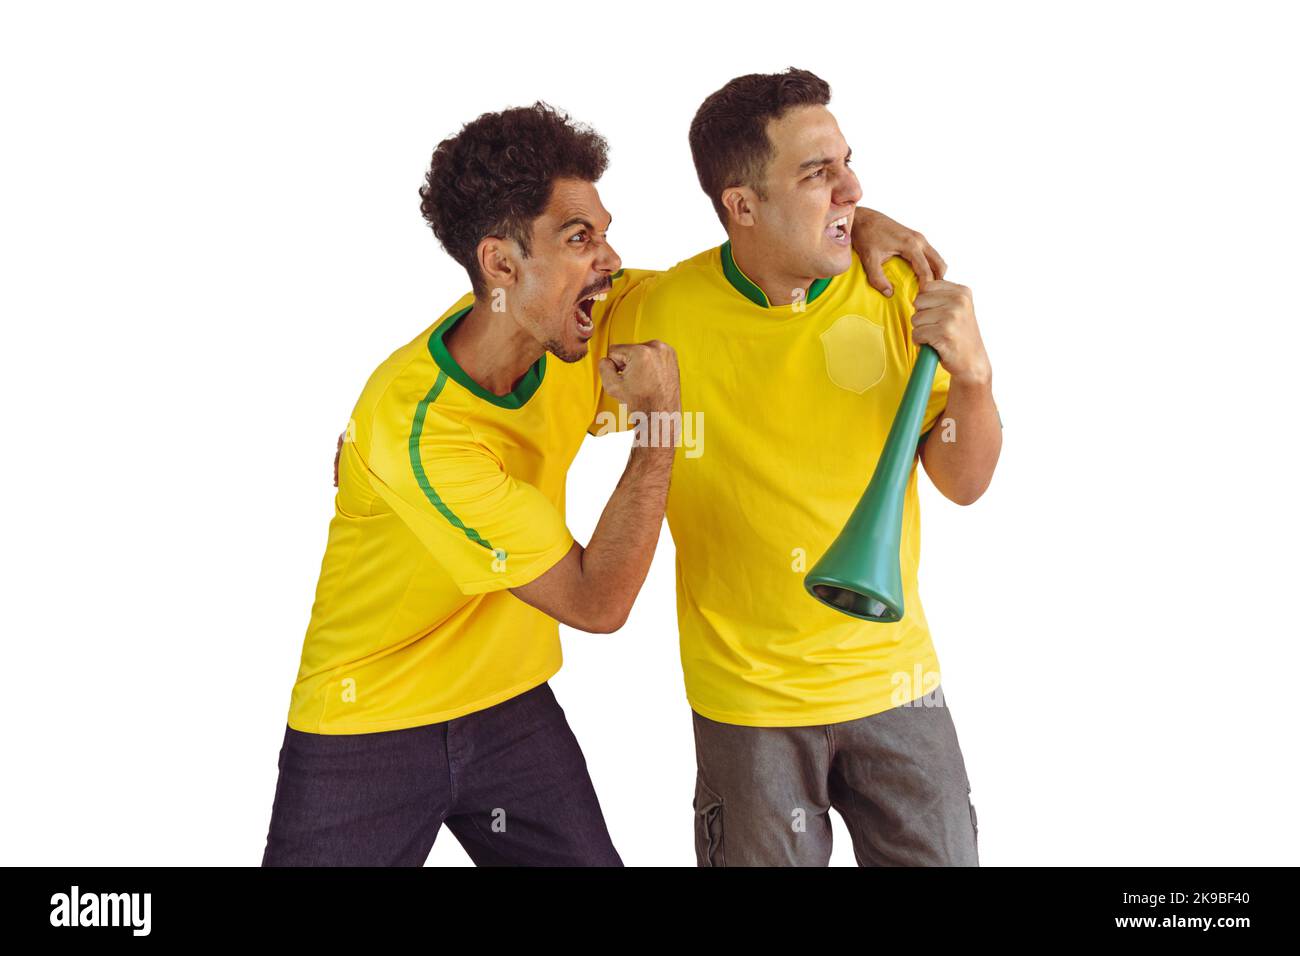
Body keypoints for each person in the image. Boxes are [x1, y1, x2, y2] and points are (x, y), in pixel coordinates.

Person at [593, 68, 1003, 865]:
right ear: (741, 207)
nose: (852, 187)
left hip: (897, 683)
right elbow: (533, 323)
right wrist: (383, 427)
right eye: (819, 173)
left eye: (848, 163)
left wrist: (978, 381)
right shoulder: (653, 313)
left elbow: (964, 481)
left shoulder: (894, 291)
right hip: (747, 705)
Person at [262, 102, 678, 866]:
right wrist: (659, 429)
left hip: (507, 708)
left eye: (604, 231)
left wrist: (868, 232)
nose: (611, 259)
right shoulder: (417, 428)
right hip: (370, 719)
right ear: (500, 264)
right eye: (578, 238)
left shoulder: (577, 319)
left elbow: (736, 280)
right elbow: (597, 602)